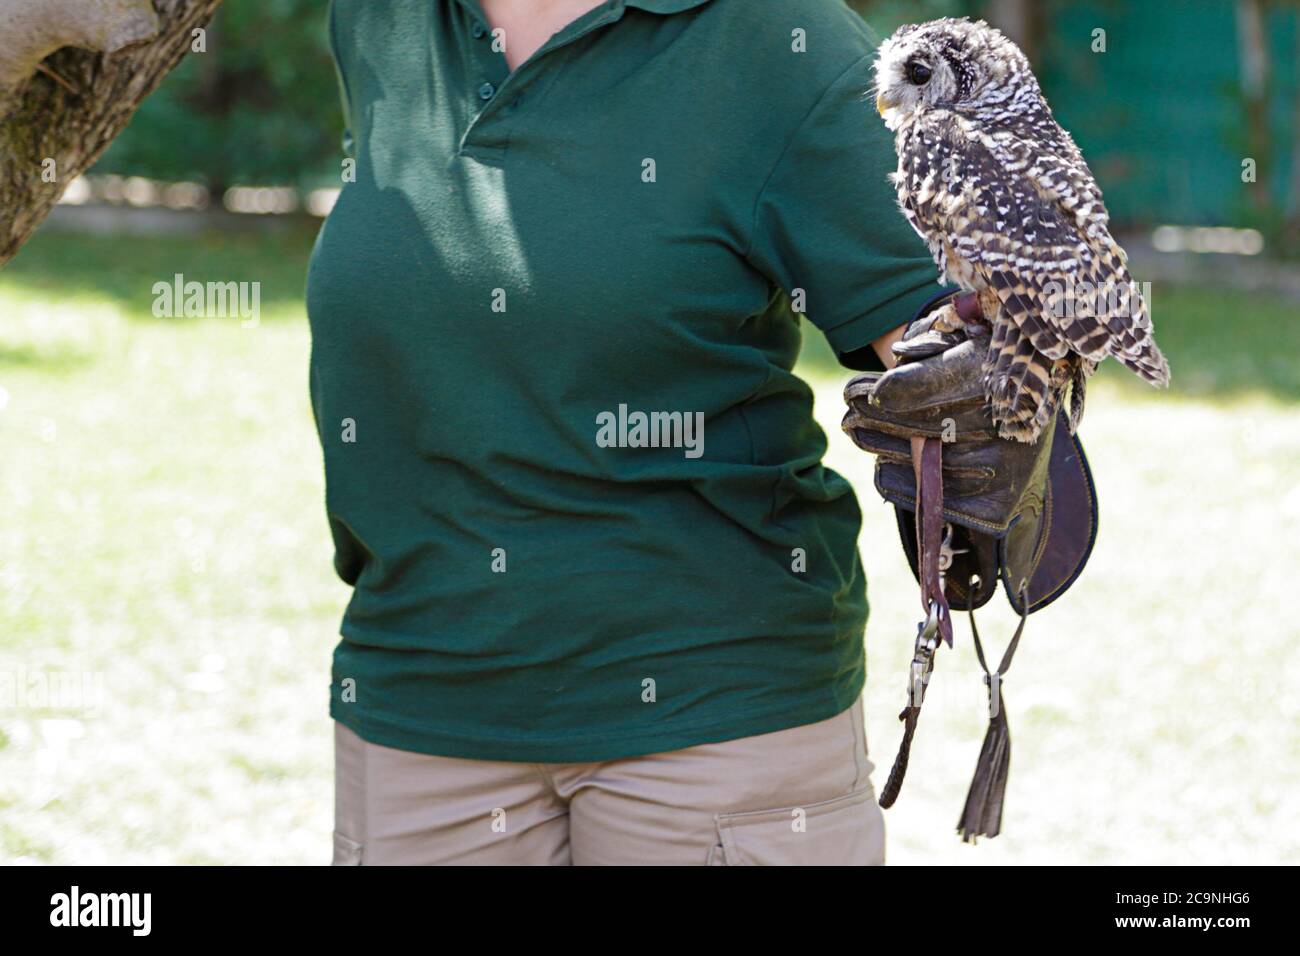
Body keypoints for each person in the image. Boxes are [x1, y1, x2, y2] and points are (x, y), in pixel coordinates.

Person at [307, 0, 949, 865]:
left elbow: (951, 359)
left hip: (714, 715)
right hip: (421, 690)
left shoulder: (781, 39)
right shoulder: (381, 19)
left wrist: (990, 382)